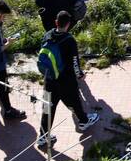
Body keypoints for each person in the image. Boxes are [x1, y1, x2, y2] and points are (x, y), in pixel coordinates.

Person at [36, 11, 100, 149]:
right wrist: (80, 75)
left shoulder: (47, 35)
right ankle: (84, 121)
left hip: (49, 78)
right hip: (65, 80)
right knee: (74, 101)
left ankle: (42, 137)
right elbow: (74, 61)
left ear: (56, 22)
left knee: (48, 108)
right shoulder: (69, 40)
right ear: (69, 24)